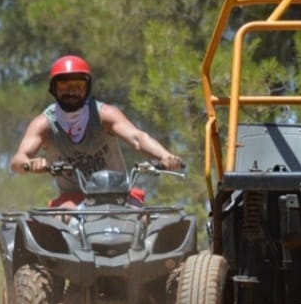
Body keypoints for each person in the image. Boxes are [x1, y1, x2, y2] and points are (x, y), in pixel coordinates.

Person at [10, 54, 184, 208]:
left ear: (87, 87)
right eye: (64, 85)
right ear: (53, 88)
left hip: (117, 194)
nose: (71, 91)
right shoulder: (44, 124)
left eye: (78, 85)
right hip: (73, 198)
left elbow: (137, 138)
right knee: (61, 218)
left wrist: (165, 156)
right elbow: (18, 160)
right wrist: (29, 164)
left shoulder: (105, 115)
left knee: (141, 218)